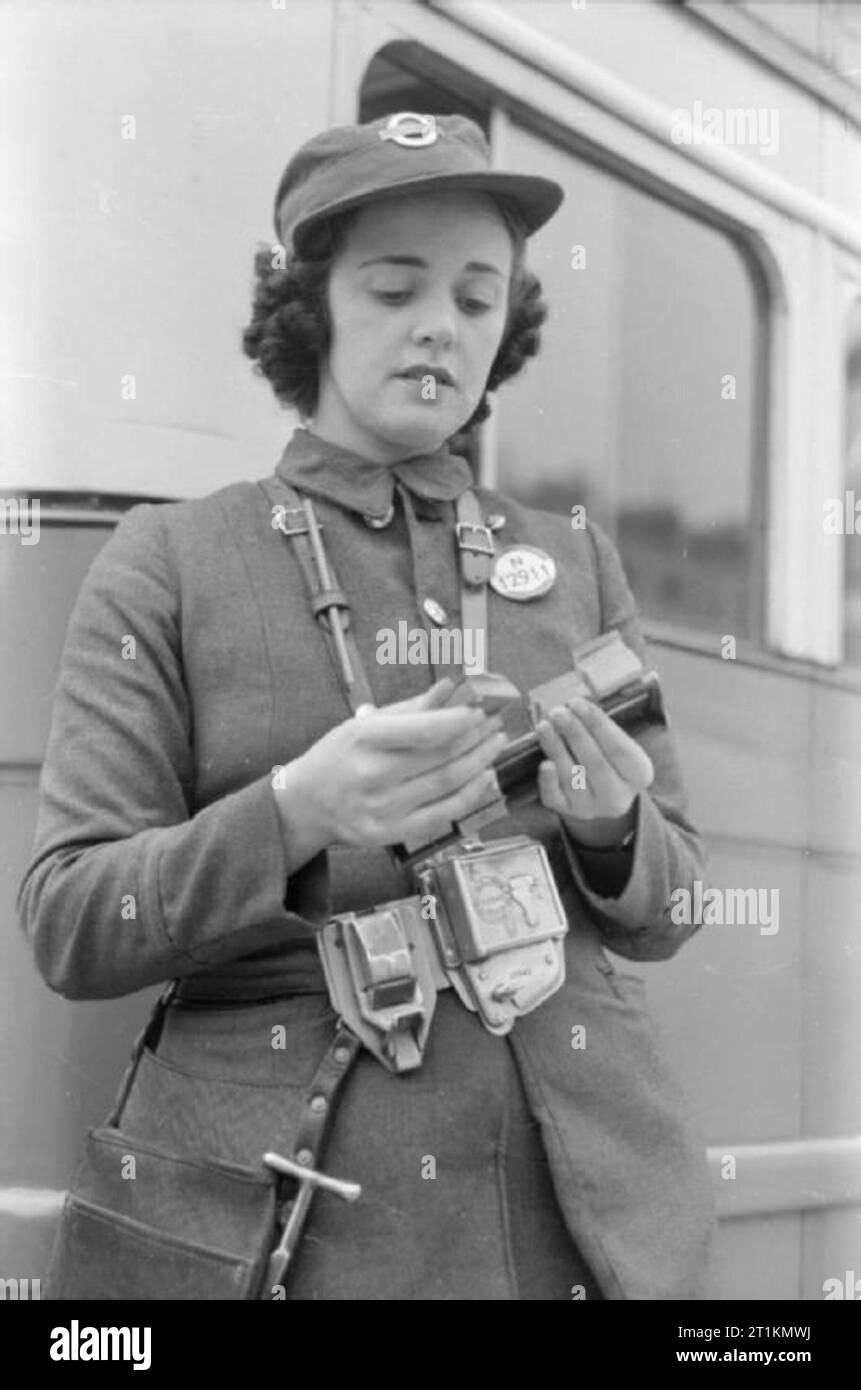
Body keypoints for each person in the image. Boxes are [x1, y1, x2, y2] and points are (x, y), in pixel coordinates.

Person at [17, 110, 715, 1300]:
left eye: (478, 298)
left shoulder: (576, 560)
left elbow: (678, 903)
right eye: (395, 288)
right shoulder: (169, 562)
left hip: (590, 1227)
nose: (441, 324)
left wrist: (611, 830)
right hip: (297, 1232)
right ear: (311, 308)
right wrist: (296, 810)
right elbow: (72, 922)